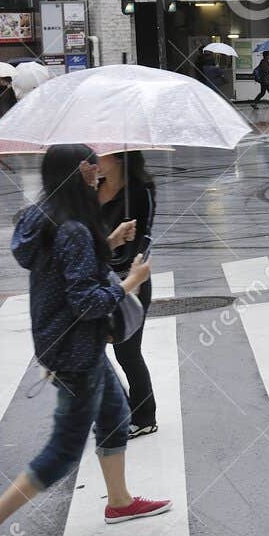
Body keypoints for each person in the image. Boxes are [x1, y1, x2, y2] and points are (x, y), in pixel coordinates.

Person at [0, 145, 169, 536]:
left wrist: (109, 241)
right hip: (74, 349)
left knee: (114, 416)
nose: (99, 172)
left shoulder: (52, 216)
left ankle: (120, 500)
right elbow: (87, 302)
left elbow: (66, 268)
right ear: (80, 172)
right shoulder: (71, 226)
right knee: (63, 449)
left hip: (68, 342)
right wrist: (130, 282)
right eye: (93, 165)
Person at [98, 150, 159, 436]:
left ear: (120, 158)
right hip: (99, 281)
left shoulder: (140, 191)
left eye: (102, 155)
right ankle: (116, 409)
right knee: (94, 352)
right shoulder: (93, 189)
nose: (95, 160)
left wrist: (131, 266)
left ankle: (144, 417)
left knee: (127, 351)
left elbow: (146, 237)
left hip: (130, 281)